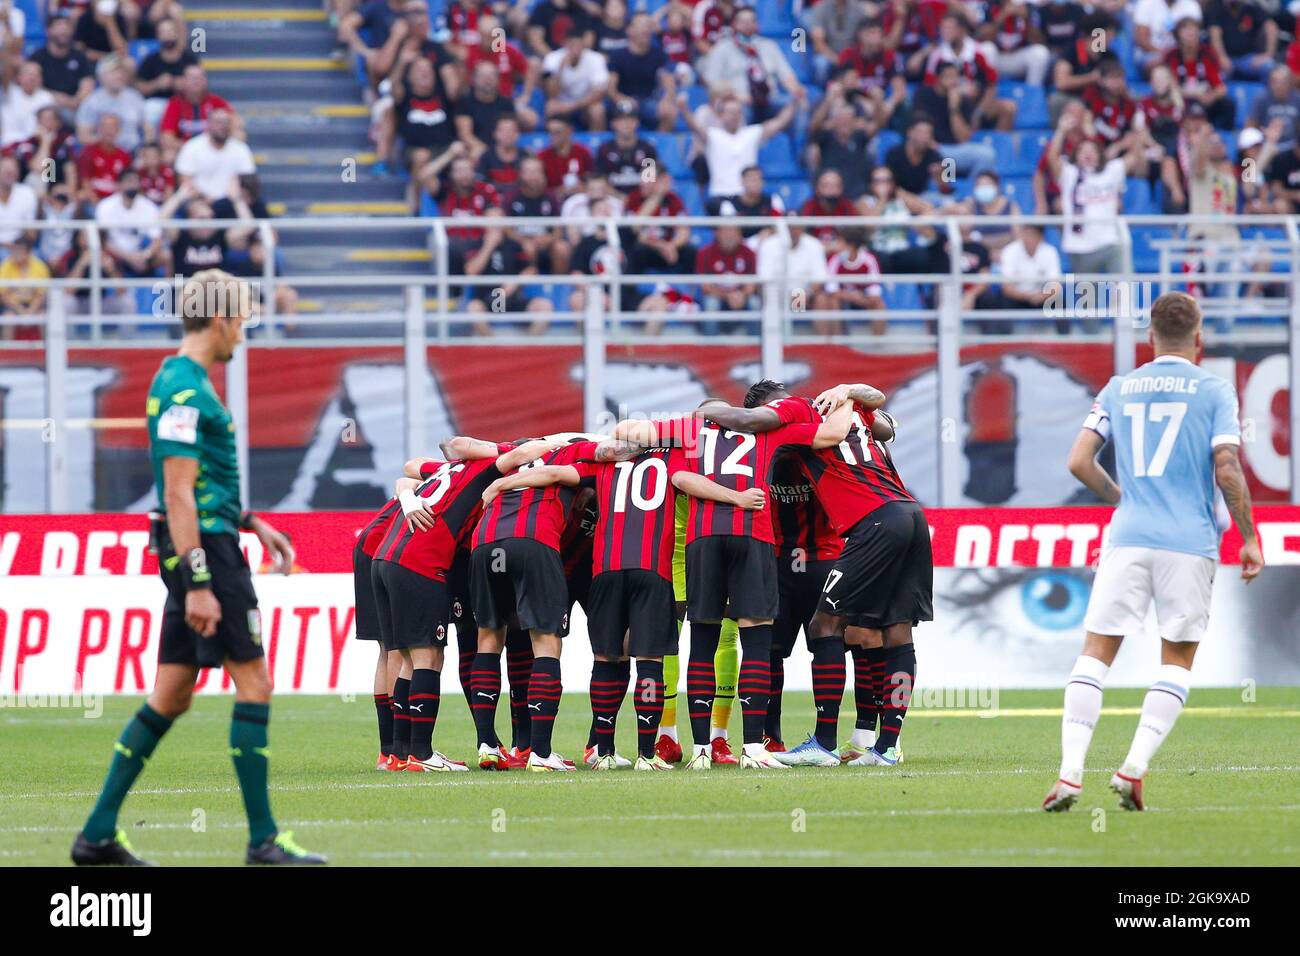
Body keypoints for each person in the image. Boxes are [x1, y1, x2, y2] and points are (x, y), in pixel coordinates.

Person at [71, 269, 326, 866]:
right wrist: (200, 583)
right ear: (220, 320)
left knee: (172, 694)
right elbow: (179, 495)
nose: (244, 333)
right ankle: (264, 842)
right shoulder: (188, 392)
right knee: (255, 684)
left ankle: (97, 837)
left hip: (207, 541)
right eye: (242, 320)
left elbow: (198, 488)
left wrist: (251, 520)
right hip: (205, 553)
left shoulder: (179, 380)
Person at [1043, 292, 1263, 813]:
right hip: (1188, 542)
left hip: (1128, 537)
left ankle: (1070, 775)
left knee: (1095, 654)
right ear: (1199, 339)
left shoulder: (1120, 388)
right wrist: (1249, 536)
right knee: (1177, 659)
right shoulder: (1213, 390)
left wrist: (1124, 498)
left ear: (1150, 338)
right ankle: (1132, 770)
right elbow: (1226, 466)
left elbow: (1078, 461)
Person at [481, 438, 765, 771]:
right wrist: (738, 497)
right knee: (649, 661)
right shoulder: (671, 461)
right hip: (652, 571)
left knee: (605, 659)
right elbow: (691, 483)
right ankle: (647, 755)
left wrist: (501, 482)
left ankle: (604, 752)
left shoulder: (602, 464)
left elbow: (554, 473)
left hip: (605, 572)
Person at [614, 394, 857, 769]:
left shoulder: (689, 430)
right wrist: (845, 396)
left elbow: (629, 434)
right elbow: (834, 433)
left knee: (703, 641)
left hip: (702, 540)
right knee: (755, 641)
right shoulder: (769, 432)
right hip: (752, 537)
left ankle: (699, 751)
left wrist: (681, 424)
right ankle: (753, 750)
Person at [370, 438, 561, 771]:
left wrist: (406, 496)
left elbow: (409, 468)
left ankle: (400, 753)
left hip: (385, 558)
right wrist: (555, 442)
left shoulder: (446, 469)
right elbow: (520, 454)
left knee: (406, 659)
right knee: (428, 655)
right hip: (420, 562)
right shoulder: (482, 470)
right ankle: (423, 754)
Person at [678, 90, 800, 199]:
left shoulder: (751, 133)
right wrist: (683, 108)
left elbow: (779, 122)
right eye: (730, 112)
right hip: (721, 195)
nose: (734, 116)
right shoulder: (713, 136)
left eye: (737, 112)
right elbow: (694, 125)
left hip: (748, 196)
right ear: (720, 116)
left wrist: (794, 102)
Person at [174, 108, 256, 202]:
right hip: (199, 200)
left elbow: (248, 179)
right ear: (209, 124)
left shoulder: (240, 148)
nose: (223, 126)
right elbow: (185, 182)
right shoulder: (192, 147)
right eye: (219, 122)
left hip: (231, 201)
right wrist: (206, 199)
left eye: (226, 122)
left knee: (258, 207)